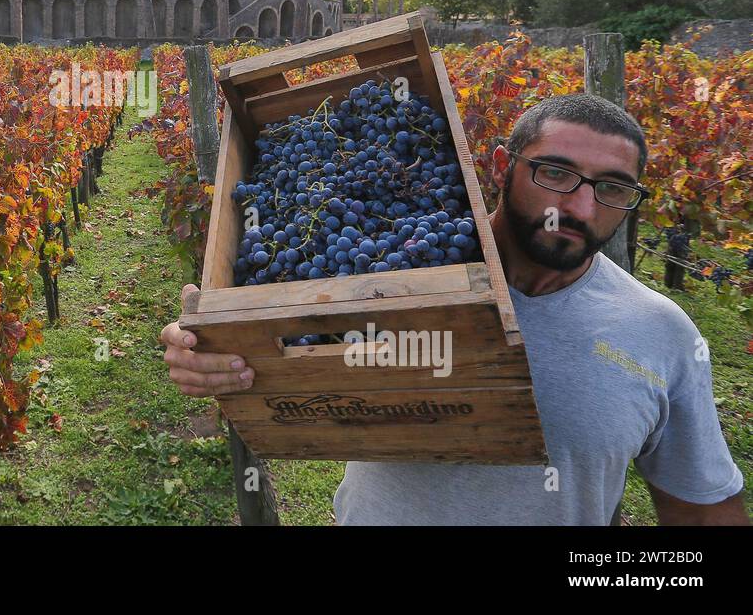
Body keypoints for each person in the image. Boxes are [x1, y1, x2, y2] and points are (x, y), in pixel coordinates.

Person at [160, 93, 748, 524]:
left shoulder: (661, 333)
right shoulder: (400, 276)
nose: (581, 206)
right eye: (556, 173)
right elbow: (285, 348)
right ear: (499, 167)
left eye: (613, 187)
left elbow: (702, 510)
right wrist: (207, 352)